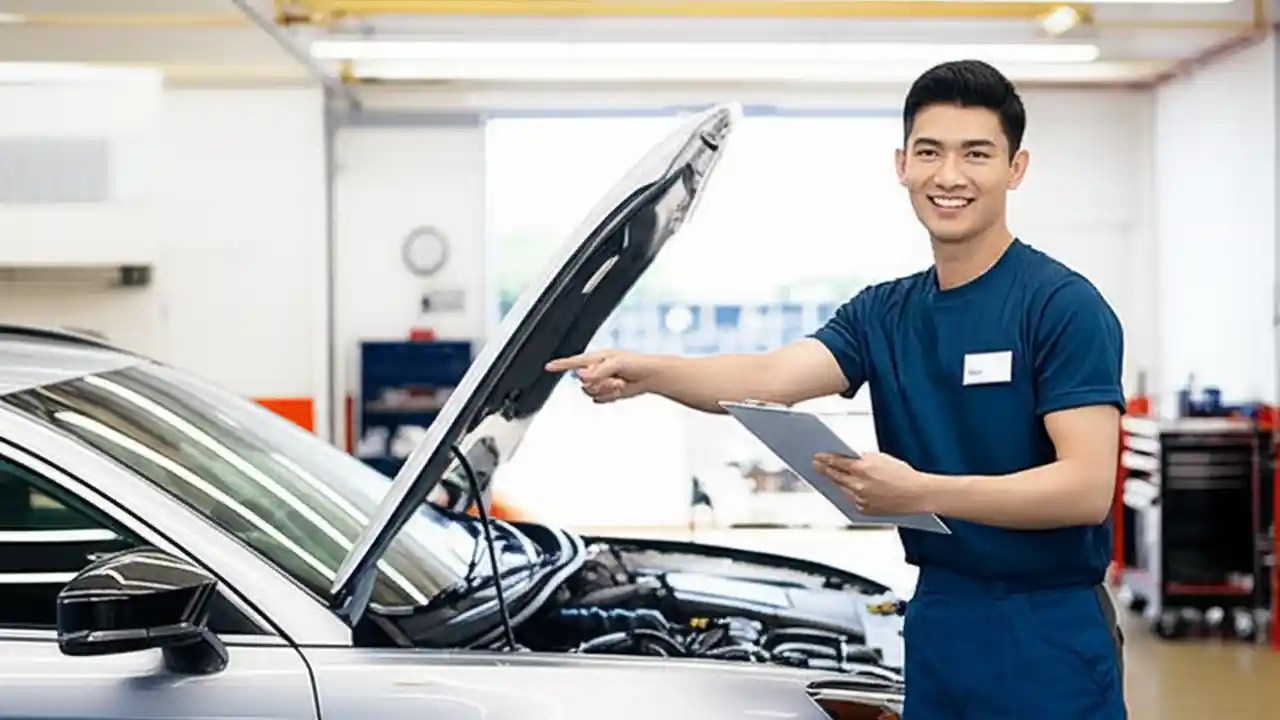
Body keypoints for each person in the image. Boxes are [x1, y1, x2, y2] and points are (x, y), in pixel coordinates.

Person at [545, 59, 1127, 719]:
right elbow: (771, 379)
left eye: (977, 154)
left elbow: (1083, 489)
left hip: (1048, 628)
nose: (950, 176)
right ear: (901, 164)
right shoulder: (885, 313)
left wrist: (921, 491)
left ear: (1015, 169)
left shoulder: (1060, 306)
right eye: (930, 152)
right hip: (941, 616)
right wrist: (652, 372)